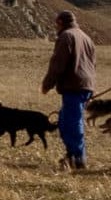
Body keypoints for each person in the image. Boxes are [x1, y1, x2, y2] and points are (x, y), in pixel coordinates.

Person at [40, 9, 96, 170]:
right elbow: (92, 65)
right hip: (85, 85)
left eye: (56, 24)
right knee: (64, 122)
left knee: (72, 122)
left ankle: (78, 158)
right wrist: (92, 89)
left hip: (74, 86)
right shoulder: (86, 37)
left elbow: (57, 65)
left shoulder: (66, 37)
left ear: (60, 23)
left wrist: (47, 85)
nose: (55, 27)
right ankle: (72, 154)